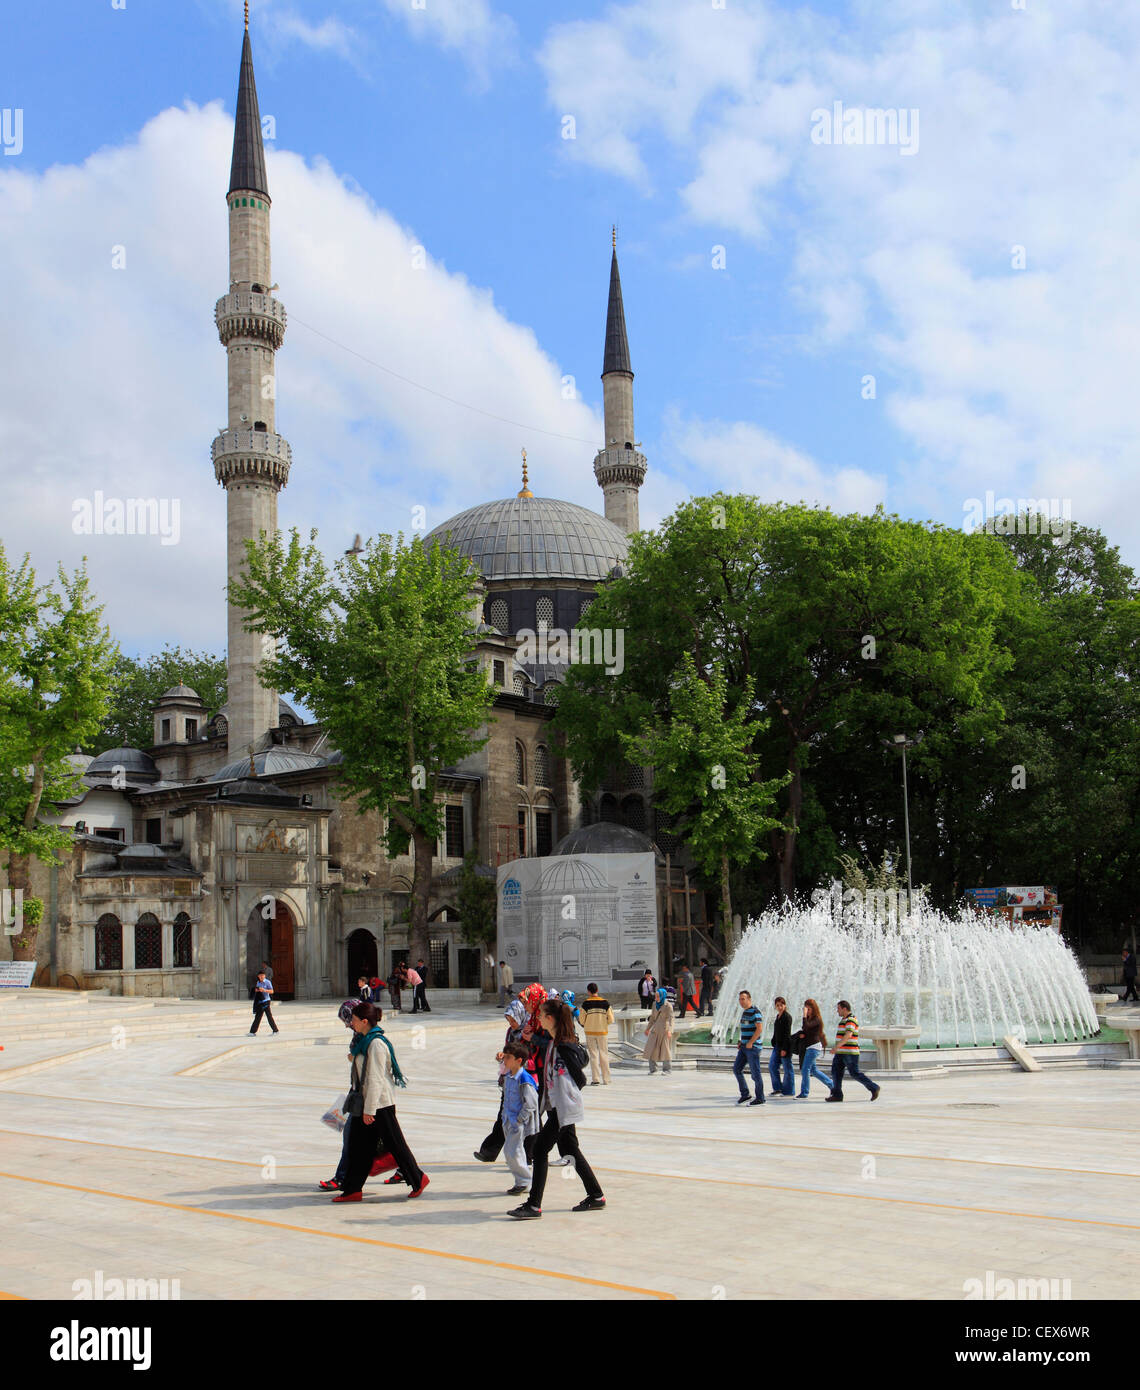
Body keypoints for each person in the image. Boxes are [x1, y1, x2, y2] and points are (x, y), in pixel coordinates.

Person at [508, 999, 605, 1219]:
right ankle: (596, 1195)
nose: (539, 1018)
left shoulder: (562, 1045)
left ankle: (533, 1205)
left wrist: (567, 1096)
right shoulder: (553, 1041)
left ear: (550, 1018)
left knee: (541, 1150)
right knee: (569, 1150)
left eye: (542, 1015)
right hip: (557, 1106)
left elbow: (579, 1077)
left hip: (562, 1108)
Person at [333, 1002, 429, 1202]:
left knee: (396, 1145)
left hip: (380, 1105)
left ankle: (418, 1179)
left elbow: (375, 1078)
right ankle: (352, 1190)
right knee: (359, 1146)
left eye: (354, 1020)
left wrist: (370, 1110)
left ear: (365, 1021)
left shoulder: (376, 1044)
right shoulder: (365, 1041)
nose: (352, 1023)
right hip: (368, 1103)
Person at [473, 1000, 527, 1163]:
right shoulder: (511, 1032)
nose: (511, 1023)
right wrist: (502, 1056)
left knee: (528, 1120)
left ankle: (530, 1154)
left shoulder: (528, 1032)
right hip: (509, 1079)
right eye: (509, 1020)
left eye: (513, 1019)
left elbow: (527, 1057)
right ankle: (489, 1152)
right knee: (503, 1115)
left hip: (523, 1080)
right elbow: (508, 1050)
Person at [320, 998, 364, 1192]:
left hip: (364, 1092)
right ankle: (407, 1169)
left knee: (351, 1134)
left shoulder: (367, 1035)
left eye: (348, 1020)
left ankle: (341, 1178)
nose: (347, 1026)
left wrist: (353, 1056)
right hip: (356, 1089)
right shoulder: (360, 1033)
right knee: (386, 1138)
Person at [500, 1040, 539, 1195]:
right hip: (508, 1120)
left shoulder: (525, 1079)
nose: (505, 1060)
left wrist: (519, 1119)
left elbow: (531, 1103)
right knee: (516, 1152)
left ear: (519, 1060)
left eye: (508, 1057)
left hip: (517, 1122)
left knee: (511, 1152)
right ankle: (521, 1181)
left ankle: (524, 1180)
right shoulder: (509, 1076)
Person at [828, 1000, 880, 1102]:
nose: (837, 1011)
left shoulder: (851, 1019)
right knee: (836, 1073)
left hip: (849, 1053)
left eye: (838, 1008)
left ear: (844, 1008)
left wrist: (837, 1046)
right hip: (841, 1052)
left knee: (854, 1073)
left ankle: (874, 1087)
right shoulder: (844, 1019)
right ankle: (837, 1095)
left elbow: (848, 1035)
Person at [793, 998, 833, 1098]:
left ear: (813, 1008)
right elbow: (805, 1029)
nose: (806, 1011)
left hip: (813, 1047)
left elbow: (807, 1026)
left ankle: (804, 1092)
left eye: (808, 1009)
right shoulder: (810, 1018)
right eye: (805, 1009)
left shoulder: (816, 1019)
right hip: (809, 1047)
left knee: (805, 1069)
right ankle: (832, 1086)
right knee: (814, 1071)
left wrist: (804, 1016)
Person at [732, 990, 764, 1105]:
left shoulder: (755, 1012)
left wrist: (751, 1042)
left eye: (743, 999)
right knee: (736, 1069)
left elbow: (759, 1028)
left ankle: (760, 1098)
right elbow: (745, 1028)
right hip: (744, 1047)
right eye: (740, 999)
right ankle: (745, 1094)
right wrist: (741, 1041)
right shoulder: (745, 1012)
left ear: (749, 999)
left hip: (753, 1047)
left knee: (755, 1073)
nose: (741, 1001)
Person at [579, 983, 613, 1085]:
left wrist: (587, 1023)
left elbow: (581, 1020)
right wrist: (603, 1023)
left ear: (588, 991)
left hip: (590, 1032)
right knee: (604, 1054)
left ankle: (596, 1079)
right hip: (602, 1032)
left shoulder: (585, 1004)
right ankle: (606, 1079)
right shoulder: (605, 1003)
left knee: (593, 1055)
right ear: (597, 990)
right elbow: (611, 1019)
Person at [643, 986, 674, 1075]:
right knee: (651, 1048)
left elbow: (671, 1019)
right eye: (655, 996)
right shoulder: (654, 1004)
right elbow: (652, 1018)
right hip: (655, 1029)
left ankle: (667, 1069)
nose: (656, 998)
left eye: (657, 996)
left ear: (662, 996)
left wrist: (670, 1031)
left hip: (664, 1030)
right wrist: (648, 1029)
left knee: (665, 1050)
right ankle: (653, 1069)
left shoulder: (668, 1005)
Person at [768, 996, 795, 1096]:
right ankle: (777, 1088)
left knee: (788, 1069)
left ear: (785, 1005)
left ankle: (789, 1091)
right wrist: (773, 1040)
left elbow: (787, 1034)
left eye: (781, 1005)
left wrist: (784, 1048)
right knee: (772, 1066)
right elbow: (777, 1031)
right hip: (777, 1046)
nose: (779, 1007)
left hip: (785, 1047)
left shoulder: (787, 1017)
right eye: (777, 1005)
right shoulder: (778, 1016)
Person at [249, 969, 279, 1035]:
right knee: (258, 1017)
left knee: (269, 1016)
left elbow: (272, 991)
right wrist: (257, 990)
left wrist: (264, 990)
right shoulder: (258, 982)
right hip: (260, 1001)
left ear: (265, 976)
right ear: (258, 976)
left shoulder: (268, 982)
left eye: (263, 975)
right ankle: (252, 1032)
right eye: (260, 976)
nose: (262, 977)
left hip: (266, 1001)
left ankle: (275, 1031)